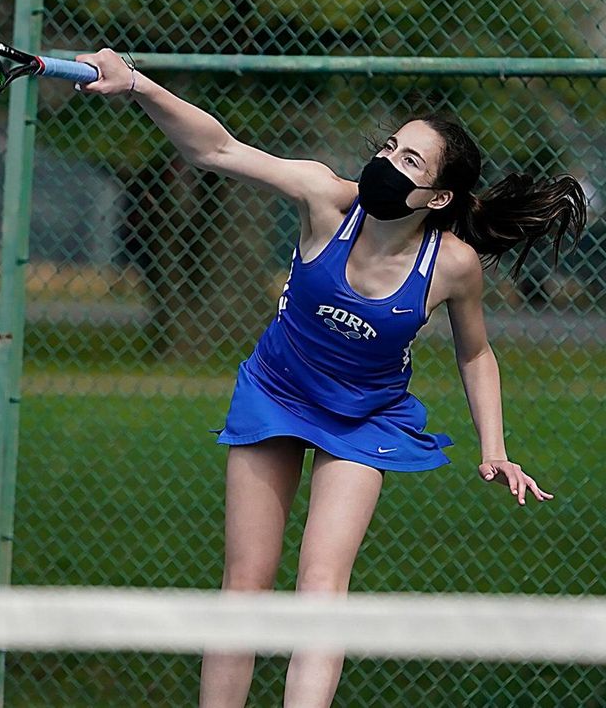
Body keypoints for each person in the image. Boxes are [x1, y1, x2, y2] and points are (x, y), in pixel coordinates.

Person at [73, 50, 585, 707]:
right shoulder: (326, 199)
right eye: (391, 146)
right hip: (278, 391)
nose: (386, 162)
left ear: (439, 197)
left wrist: (495, 448)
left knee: (320, 588)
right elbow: (220, 150)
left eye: (409, 162)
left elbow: (475, 354)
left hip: (366, 417)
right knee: (247, 583)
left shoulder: (452, 265)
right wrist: (138, 83)